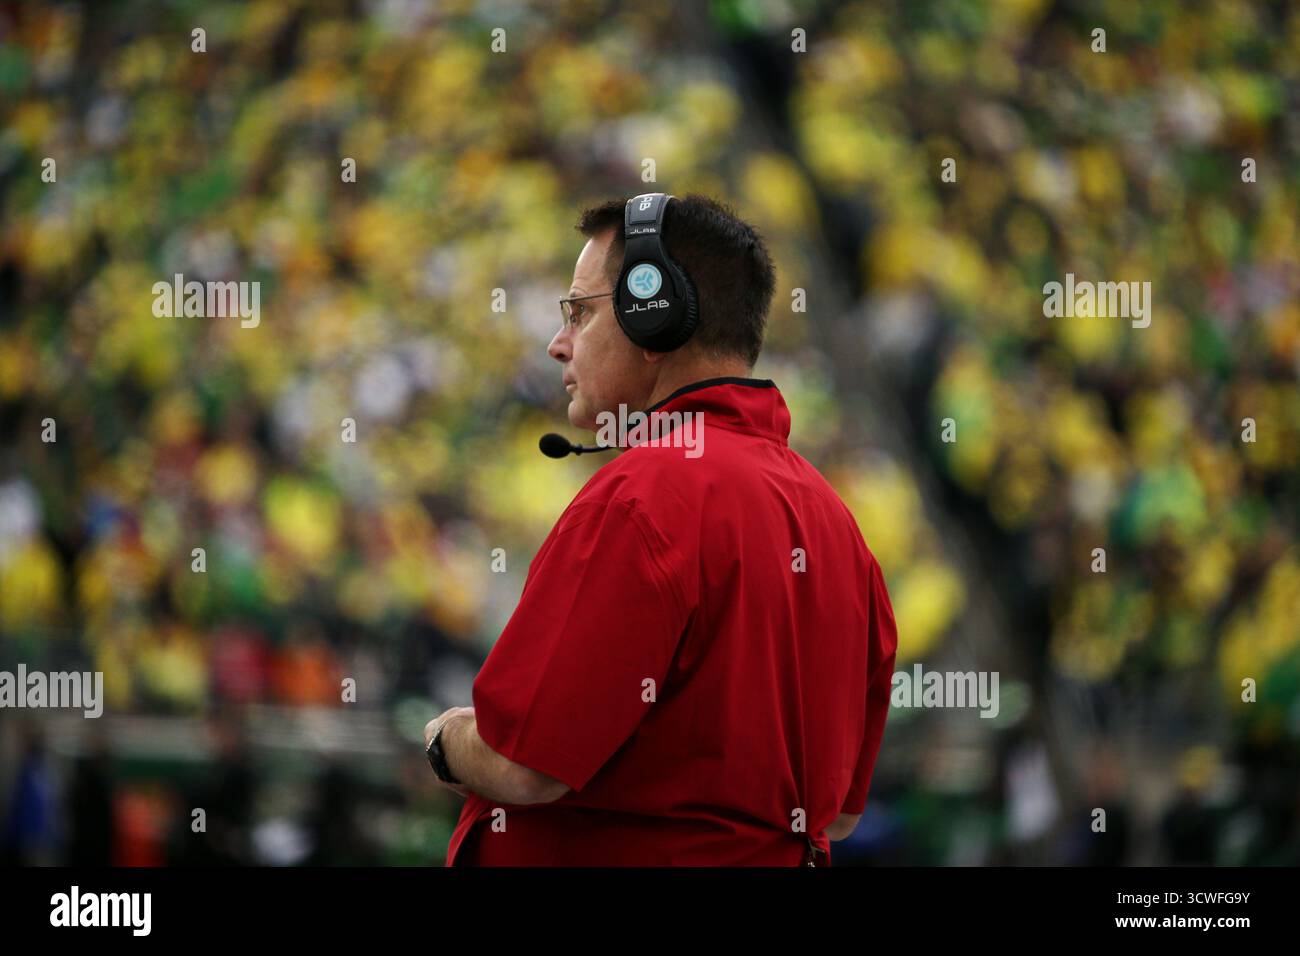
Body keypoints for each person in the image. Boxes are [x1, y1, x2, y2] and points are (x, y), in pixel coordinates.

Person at [424, 194, 898, 865]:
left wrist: (445, 741)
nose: (559, 343)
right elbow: (844, 813)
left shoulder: (642, 499)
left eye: (580, 313)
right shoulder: (839, 528)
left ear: (655, 317)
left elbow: (526, 764)